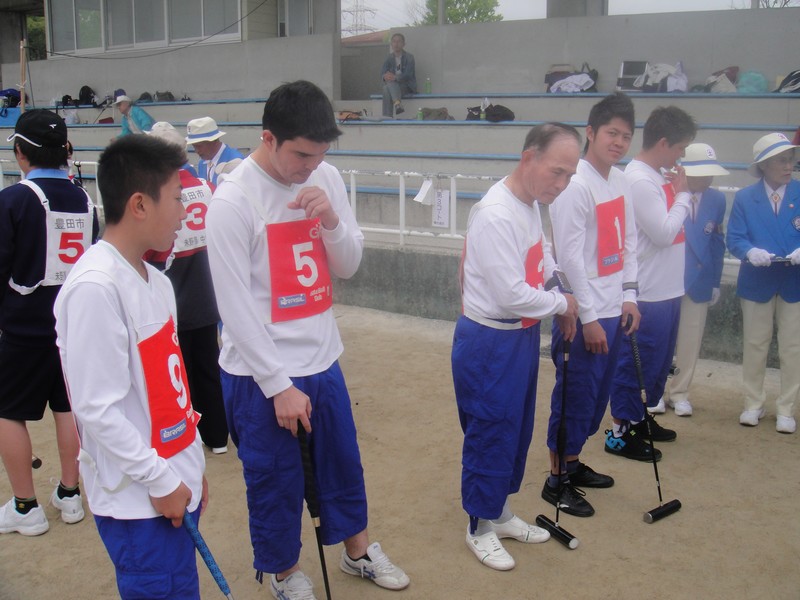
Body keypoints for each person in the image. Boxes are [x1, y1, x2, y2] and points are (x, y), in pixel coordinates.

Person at [206, 80, 409, 599]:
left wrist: (332, 220)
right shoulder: (233, 200)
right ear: (269, 138)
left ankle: (358, 551)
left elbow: (349, 264)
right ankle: (281, 571)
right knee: (274, 481)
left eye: (320, 154)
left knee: (342, 464)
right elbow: (234, 308)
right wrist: (277, 384)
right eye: (301, 154)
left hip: (323, 359)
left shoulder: (326, 179)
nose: (310, 166)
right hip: (259, 373)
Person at [54, 135, 207, 599]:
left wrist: (191, 463)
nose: (185, 210)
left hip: (173, 486)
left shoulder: (156, 282)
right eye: (178, 198)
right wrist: (162, 479)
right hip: (138, 505)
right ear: (139, 204)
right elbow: (97, 410)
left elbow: (171, 390)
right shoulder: (95, 288)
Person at [452, 122, 580, 571]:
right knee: (490, 431)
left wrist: (556, 286)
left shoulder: (530, 203)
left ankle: (499, 512)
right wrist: (563, 301)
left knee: (517, 430)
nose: (561, 185)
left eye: (570, 176)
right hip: (490, 340)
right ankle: (478, 526)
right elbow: (509, 293)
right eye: (556, 172)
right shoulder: (496, 213)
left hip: (521, 336)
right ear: (529, 158)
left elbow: (542, 257)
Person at [541, 93, 640, 519]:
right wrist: (588, 317)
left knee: (597, 395)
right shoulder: (575, 184)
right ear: (591, 133)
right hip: (586, 316)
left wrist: (630, 296)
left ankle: (575, 463)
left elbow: (629, 242)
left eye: (625, 136)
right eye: (611, 133)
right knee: (575, 394)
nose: (618, 142)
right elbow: (569, 257)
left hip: (614, 307)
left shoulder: (619, 181)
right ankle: (556, 479)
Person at [0, 109, 97, 536]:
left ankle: (26, 506)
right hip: (70, 328)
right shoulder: (84, 200)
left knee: (8, 413)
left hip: (22, 328)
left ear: (21, 154)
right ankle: (71, 494)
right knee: (67, 408)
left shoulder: (13, 199)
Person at [605, 106, 696, 461]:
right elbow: (662, 233)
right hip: (648, 292)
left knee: (658, 365)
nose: (681, 156)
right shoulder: (639, 180)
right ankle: (619, 432)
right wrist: (685, 195)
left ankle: (641, 418)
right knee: (636, 364)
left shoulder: (658, 176)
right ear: (663, 142)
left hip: (668, 290)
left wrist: (678, 192)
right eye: (680, 148)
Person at [145, 122, 229, 454]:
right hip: (208, 289)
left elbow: (151, 251)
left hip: (174, 292)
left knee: (179, 370)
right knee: (209, 361)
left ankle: (188, 434)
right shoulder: (208, 186)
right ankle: (218, 435)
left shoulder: (161, 194)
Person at [726, 132, 800, 434]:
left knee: (792, 348)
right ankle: (753, 403)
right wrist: (749, 252)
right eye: (782, 160)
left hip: (794, 281)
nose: (789, 166)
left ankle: (786, 408)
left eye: (790, 160)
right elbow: (734, 238)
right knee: (755, 345)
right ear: (765, 165)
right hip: (757, 281)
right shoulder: (745, 197)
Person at [666, 143, 729, 417]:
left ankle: (679, 392)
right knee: (662, 339)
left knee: (691, 340)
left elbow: (716, 241)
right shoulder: (666, 192)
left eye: (710, 173)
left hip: (700, 279)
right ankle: (655, 391)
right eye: (702, 173)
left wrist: (715, 280)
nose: (708, 179)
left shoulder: (717, 200)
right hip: (667, 278)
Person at [185, 117, 244, 186]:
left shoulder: (235, 162)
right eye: (194, 146)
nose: (196, 151)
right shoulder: (202, 163)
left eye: (199, 146)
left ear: (214, 140)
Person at [380, 33, 417, 118]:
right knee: (386, 87)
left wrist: (395, 77)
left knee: (388, 86)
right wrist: (385, 76)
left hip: (407, 87)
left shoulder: (409, 57)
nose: (396, 44)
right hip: (393, 86)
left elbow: (408, 74)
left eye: (399, 41)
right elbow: (383, 72)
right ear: (391, 44)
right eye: (394, 42)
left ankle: (387, 116)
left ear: (403, 44)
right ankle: (397, 104)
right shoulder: (388, 58)